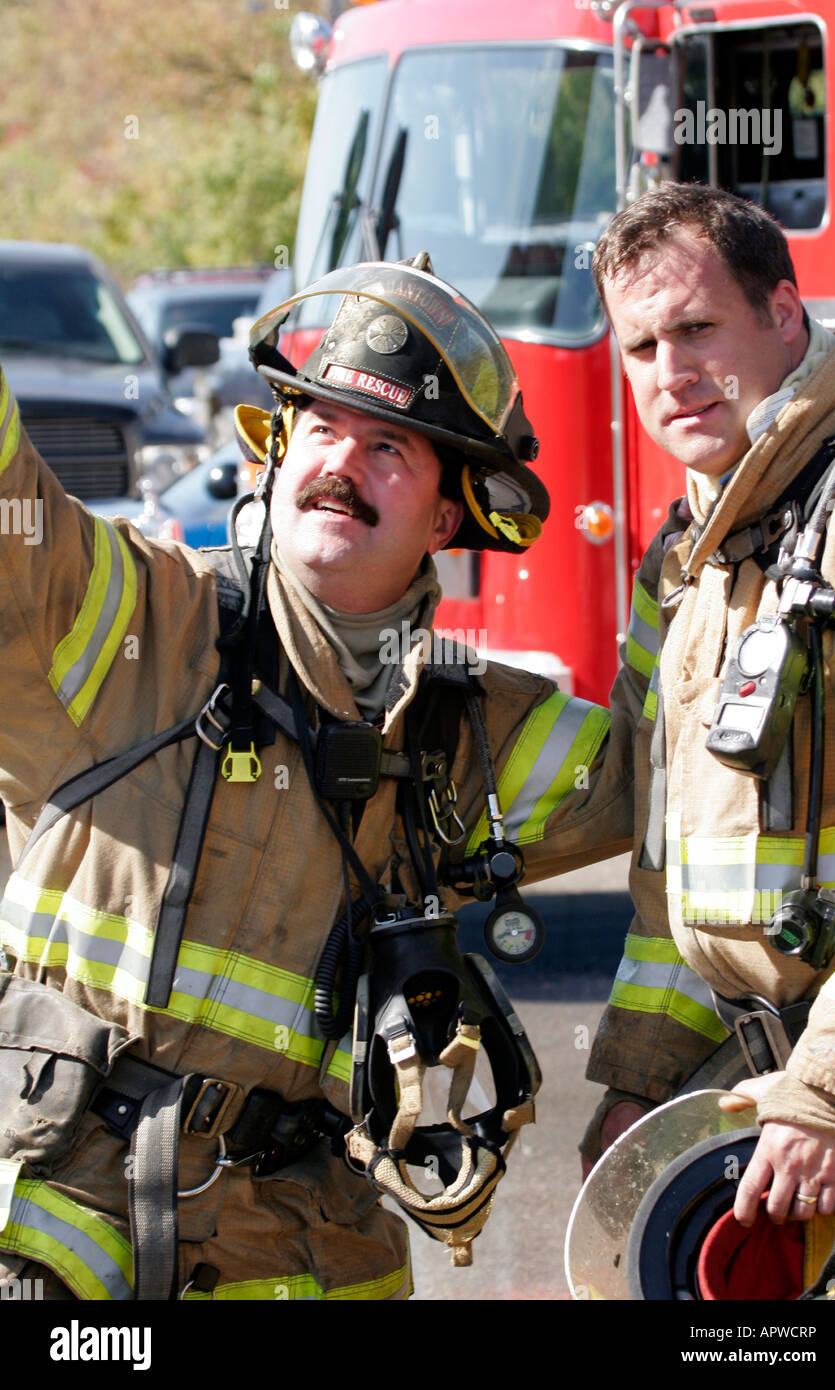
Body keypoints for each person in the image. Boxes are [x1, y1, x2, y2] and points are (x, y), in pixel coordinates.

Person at [0, 257, 633, 1301]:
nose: (341, 462)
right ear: (276, 451)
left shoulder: (467, 726)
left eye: (387, 447)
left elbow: (682, 775)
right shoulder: (137, 619)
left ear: (444, 519)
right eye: (322, 429)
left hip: (304, 1257)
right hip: (65, 1242)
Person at [581, 183, 835, 1234]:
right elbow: (680, 869)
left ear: (783, 313)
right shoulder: (692, 557)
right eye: (640, 346)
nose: (670, 374)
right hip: (775, 1089)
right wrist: (639, 1076)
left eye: (697, 328)